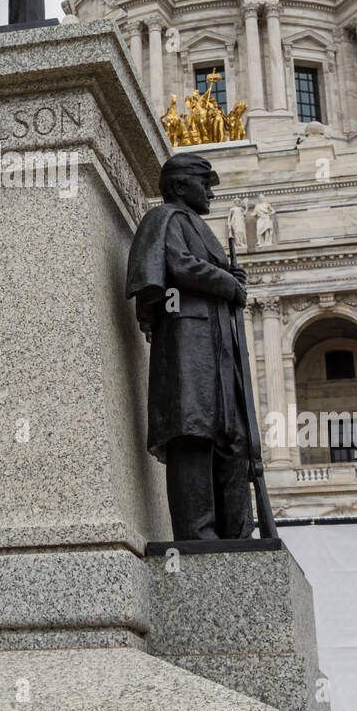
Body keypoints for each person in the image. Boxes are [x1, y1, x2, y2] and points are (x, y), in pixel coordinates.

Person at [126, 153, 254, 540]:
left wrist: (229, 276)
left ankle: (238, 532)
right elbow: (178, 265)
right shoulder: (165, 218)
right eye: (205, 183)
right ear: (180, 186)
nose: (211, 192)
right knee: (193, 434)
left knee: (235, 440)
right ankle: (199, 535)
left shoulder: (195, 224)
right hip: (189, 344)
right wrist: (228, 283)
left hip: (217, 346)